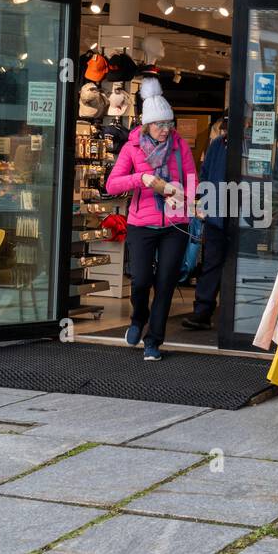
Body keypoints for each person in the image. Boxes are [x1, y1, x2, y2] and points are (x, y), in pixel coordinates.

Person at [105, 74, 197, 361]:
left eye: (169, 124)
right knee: (142, 279)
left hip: (174, 224)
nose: (166, 130)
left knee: (166, 282)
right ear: (147, 124)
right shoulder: (132, 148)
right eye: (160, 124)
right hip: (141, 224)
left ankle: (153, 341)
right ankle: (137, 317)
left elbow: (193, 178)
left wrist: (188, 196)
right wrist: (143, 178)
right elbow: (111, 185)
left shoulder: (180, 146)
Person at [183, 116, 228, 331]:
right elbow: (206, 174)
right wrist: (203, 203)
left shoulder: (251, 142)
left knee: (241, 266)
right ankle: (202, 312)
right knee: (211, 264)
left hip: (245, 214)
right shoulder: (218, 145)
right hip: (217, 215)